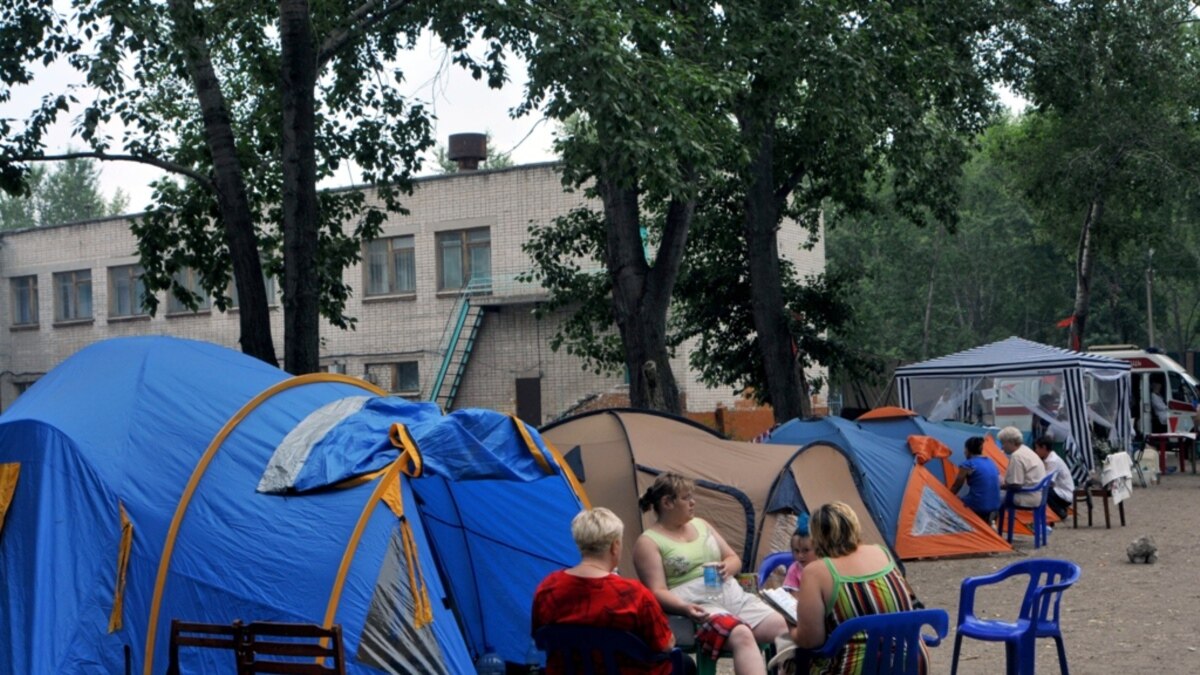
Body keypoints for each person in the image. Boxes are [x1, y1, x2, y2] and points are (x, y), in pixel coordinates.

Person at [633, 473, 788, 675]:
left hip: (733, 596)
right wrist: (685, 608)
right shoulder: (649, 542)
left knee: (785, 627)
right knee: (741, 634)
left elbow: (733, 558)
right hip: (697, 608)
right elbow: (657, 591)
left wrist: (728, 567)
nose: (693, 502)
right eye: (686, 498)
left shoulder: (701, 525)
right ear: (667, 503)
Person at [532, 507, 679, 675]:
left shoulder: (547, 588)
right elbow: (665, 644)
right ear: (615, 546)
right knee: (684, 662)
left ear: (579, 544)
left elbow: (540, 640)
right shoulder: (634, 594)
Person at [789, 502, 926, 674]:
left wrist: (790, 628)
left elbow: (811, 641)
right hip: (909, 662)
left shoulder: (816, 572)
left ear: (816, 537)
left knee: (790, 661)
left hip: (857, 668)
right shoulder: (881, 552)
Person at [949, 436, 1001, 524]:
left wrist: (945, 498)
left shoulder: (968, 464)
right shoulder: (990, 462)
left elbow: (956, 486)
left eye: (965, 449)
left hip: (978, 506)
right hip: (995, 507)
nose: (964, 452)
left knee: (955, 503)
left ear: (968, 450)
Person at [997, 426, 1047, 508]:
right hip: (1037, 494)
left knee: (991, 496)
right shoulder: (1025, 449)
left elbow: (1016, 485)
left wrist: (1000, 486)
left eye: (1003, 443)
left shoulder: (1017, 456)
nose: (1002, 447)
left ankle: (990, 516)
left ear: (1011, 442)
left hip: (1027, 497)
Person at [1033, 436, 1076, 519]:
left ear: (1044, 448)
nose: (1036, 451)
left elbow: (1047, 482)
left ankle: (1060, 513)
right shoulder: (1049, 459)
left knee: (1044, 491)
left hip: (1065, 494)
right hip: (1060, 491)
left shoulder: (1052, 461)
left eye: (1037, 448)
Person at [783, 513, 816, 593]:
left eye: (806, 550)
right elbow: (792, 595)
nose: (800, 555)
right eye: (796, 551)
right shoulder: (794, 569)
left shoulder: (824, 568)